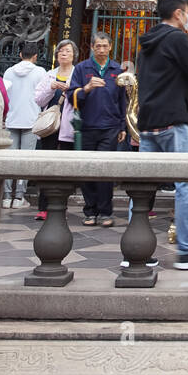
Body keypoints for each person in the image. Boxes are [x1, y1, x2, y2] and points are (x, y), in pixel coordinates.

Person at [131, 0, 188, 270]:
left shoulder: (147, 44)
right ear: (179, 14)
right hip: (173, 124)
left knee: (143, 188)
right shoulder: (177, 38)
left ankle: (134, 249)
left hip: (148, 125)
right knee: (186, 185)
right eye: (187, 12)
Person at [66, 32, 127, 228]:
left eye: (105, 46)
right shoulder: (82, 68)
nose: (101, 50)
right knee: (87, 170)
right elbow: (71, 96)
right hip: (87, 126)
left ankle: (105, 211)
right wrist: (86, 89)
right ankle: (90, 210)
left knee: (105, 170)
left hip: (110, 127)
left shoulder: (117, 70)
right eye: (98, 46)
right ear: (92, 47)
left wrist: (123, 126)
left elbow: (122, 101)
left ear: (110, 47)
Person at [33, 40, 79, 218]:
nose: (63, 53)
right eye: (60, 51)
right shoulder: (49, 75)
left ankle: (62, 206)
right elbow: (38, 100)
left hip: (68, 126)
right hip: (50, 126)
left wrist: (72, 92)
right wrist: (51, 89)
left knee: (66, 167)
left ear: (74, 55)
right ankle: (43, 207)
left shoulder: (78, 74)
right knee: (47, 165)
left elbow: (83, 99)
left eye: (67, 51)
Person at [2, 42, 48, 208]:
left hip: (11, 118)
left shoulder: (8, 71)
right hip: (31, 119)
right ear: (35, 56)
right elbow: (44, 95)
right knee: (25, 159)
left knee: (9, 159)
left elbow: (4, 95)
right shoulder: (40, 72)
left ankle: (7, 196)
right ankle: (19, 197)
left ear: (21, 55)